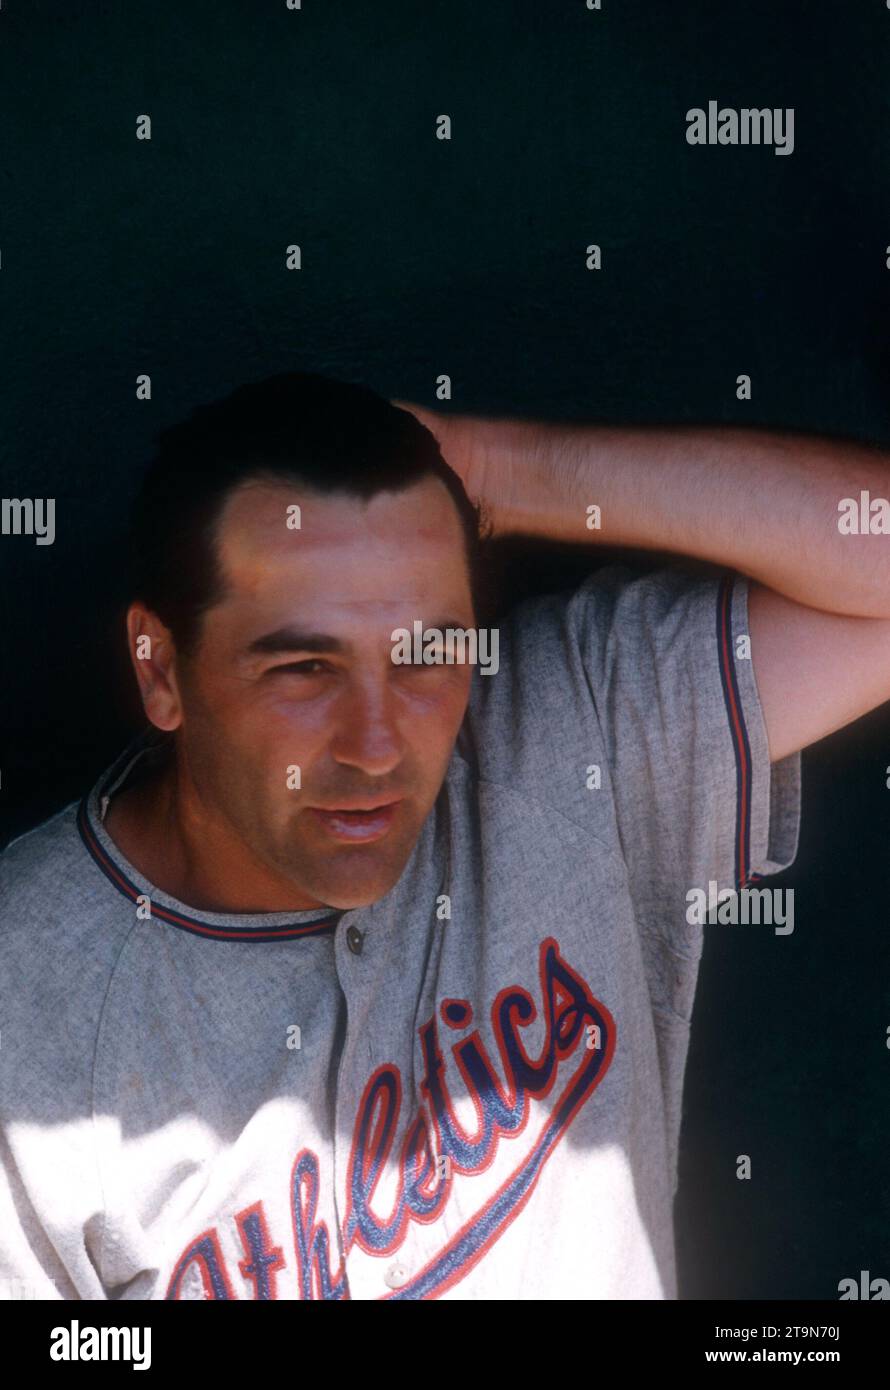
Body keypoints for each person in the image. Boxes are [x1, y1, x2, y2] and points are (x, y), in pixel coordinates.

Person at [1, 371, 888, 1300]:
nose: (377, 746)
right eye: (305, 668)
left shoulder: (568, 734)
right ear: (161, 671)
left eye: (428, 654)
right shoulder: (26, 1011)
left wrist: (488, 469)